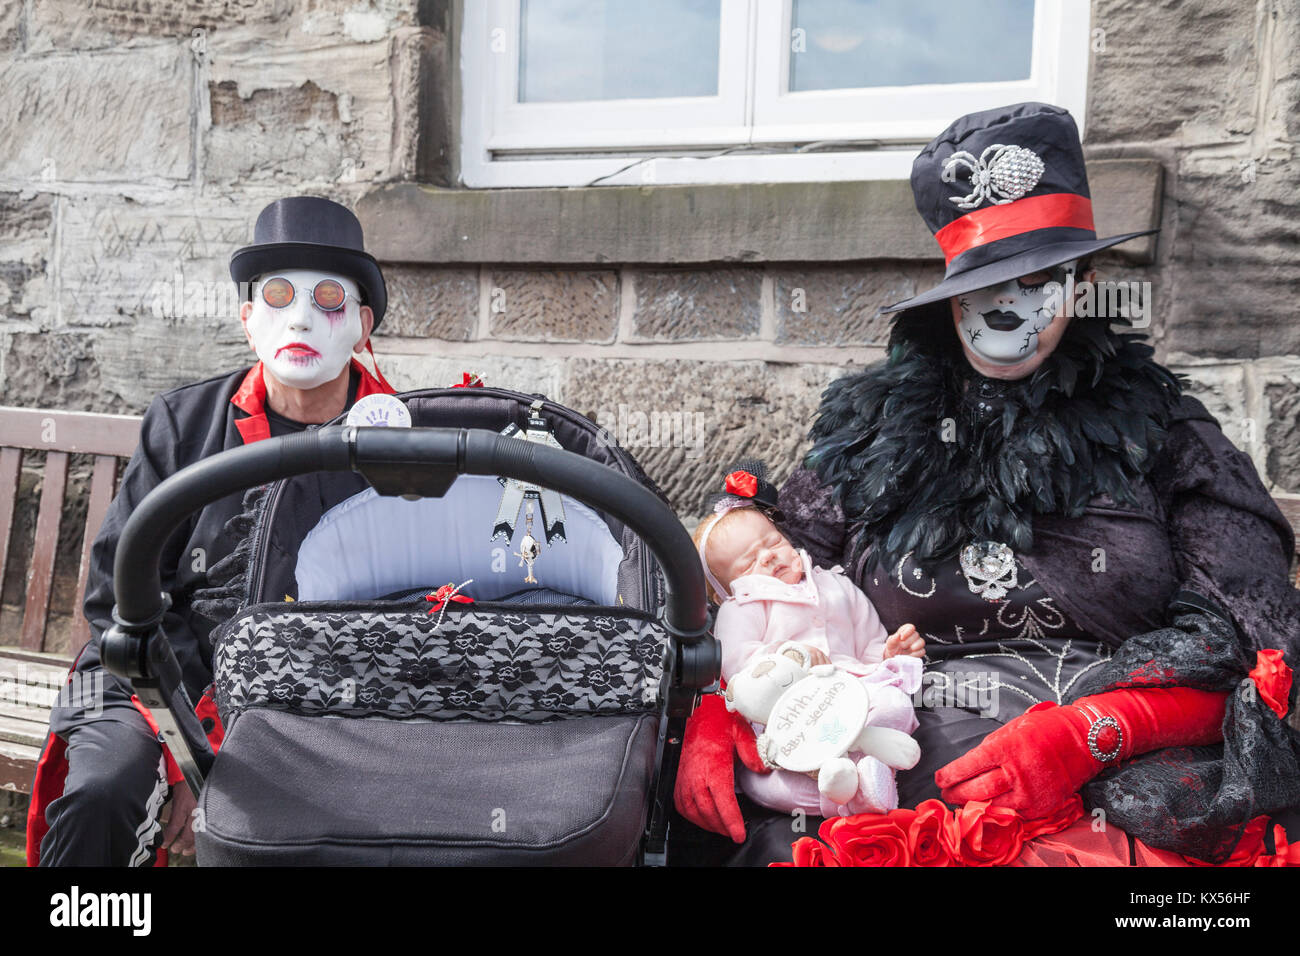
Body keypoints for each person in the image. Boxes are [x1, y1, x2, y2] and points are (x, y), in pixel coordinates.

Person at [673, 102, 1300, 866]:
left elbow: (1259, 644)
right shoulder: (876, 431)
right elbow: (755, 575)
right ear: (951, 288)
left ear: (1086, 282)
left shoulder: (1171, 438)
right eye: (988, 281)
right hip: (876, 753)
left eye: (1041, 278)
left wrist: (1094, 732)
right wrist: (715, 707)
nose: (1009, 305)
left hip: (1124, 777)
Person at [27, 196, 396, 866]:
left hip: (322, 704)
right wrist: (189, 753)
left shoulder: (404, 439)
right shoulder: (181, 424)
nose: (303, 318)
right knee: (102, 790)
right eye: (277, 297)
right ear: (249, 320)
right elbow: (117, 601)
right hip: (146, 676)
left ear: (363, 324)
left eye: (330, 299)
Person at [693, 465, 925, 817]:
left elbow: (867, 643)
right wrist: (789, 656)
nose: (768, 557)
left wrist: (888, 651)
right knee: (761, 784)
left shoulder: (836, 585)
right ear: (727, 590)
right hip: (790, 719)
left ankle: (866, 775)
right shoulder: (743, 608)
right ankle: (845, 790)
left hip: (851, 693)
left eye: (772, 543)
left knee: (894, 703)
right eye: (748, 563)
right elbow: (737, 666)